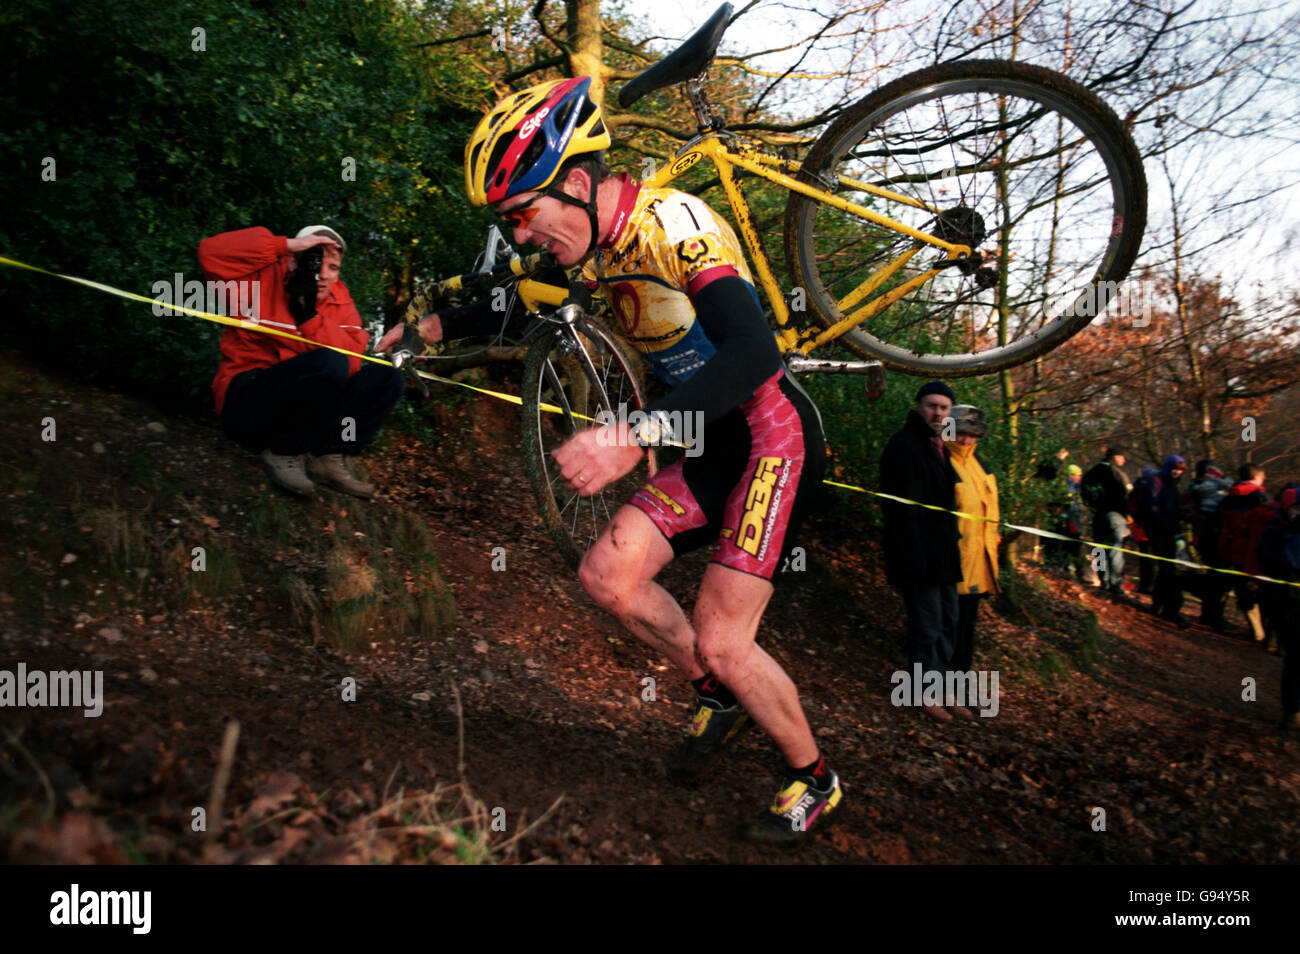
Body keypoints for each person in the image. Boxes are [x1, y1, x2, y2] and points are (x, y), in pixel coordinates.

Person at [444, 77, 838, 845]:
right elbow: (515, 294)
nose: (522, 236)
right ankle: (717, 697)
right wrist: (427, 324)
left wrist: (632, 433)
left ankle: (814, 778)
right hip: (710, 444)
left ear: (580, 184)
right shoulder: (592, 243)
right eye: (509, 222)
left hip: (771, 440)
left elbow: (756, 352)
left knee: (726, 637)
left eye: (523, 215)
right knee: (608, 578)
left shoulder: (676, 226)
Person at [200, 225, 403, 499]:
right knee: (328, 363)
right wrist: (286, 245)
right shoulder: (261, 278)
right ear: (294, 258)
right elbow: (210, 252)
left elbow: (352, 362)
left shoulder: (341, 301)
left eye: (332, 267)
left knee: (385, 376)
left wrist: (308, 317)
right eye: (314, 261)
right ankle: (283, 452)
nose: (323, 275)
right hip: (247, 404)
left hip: (301, 413)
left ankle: (330, 456)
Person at [880, 381, 963, 722]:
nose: (938, 413)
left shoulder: (941, 446)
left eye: (944, 408)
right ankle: (923, 694)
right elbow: (901, 510)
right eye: (932, 406)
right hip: (919, 557)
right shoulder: (904, 444)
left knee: (948, 623)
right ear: (918, 406)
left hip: (944, 556)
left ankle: (943, 689)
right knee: (926, 627)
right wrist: (912, 559)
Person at [944, 405, 1000, 687]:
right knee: (945, 632)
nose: (966, 440)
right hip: (950, 566)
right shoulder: (941, 462)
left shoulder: (982, 466)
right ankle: (937, 690)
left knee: (966, 631)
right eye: (961, 433)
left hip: (979, 566)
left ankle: (960, 685)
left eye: (972, 434)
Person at [1256, 487, 1300, 729]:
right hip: (1288, 603)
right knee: (1295, 659)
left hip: (1286, 600)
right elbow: (1270, 562)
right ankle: (1292, 711)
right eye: (1297, 508)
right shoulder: (1276, 533)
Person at [1219, 464, 1270, 641]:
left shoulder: (1227, 498)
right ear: (1258, 476)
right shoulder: (1260, 497)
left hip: (1232, 548)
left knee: (1243, 590)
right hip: (1255, 550)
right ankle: (1264, 634)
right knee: (1261, 590)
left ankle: (1256, 630)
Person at [1081, 446, 1134, 600]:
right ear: (1115, 457)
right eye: (1121, 457)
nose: (1123, 460)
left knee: (1099, 548)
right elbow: (1127, 494)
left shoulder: (1091, 473)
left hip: (1097, 514)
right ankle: (1115, 584)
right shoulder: (1117, 473)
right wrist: (1127, 514)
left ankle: (1103, 581)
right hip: (1115, 514)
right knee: (1115, 549)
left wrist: (1092, 507)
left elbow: (1084, 492)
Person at [1188, 461, 1233, 631]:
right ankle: (1211, 617)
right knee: (1215, 578)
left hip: (1219, 537)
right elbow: (1186, 512)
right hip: (1207, 537)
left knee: (1220, 578)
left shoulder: (1218, 488)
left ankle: (1214, 615)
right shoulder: (1195, 490)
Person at [1144, 455, 1187, 624]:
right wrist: (1164, 521)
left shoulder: (1174, 484)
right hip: (1159, 532)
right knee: (1168, 569)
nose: (1177, 472)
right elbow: (1152, 506)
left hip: (1172, 532)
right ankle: (1170, 608)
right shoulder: (1157, 481)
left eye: (1181, 470)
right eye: (1175, 468)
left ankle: (1159, 604)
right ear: (1168, 467)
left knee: (1167, 570)